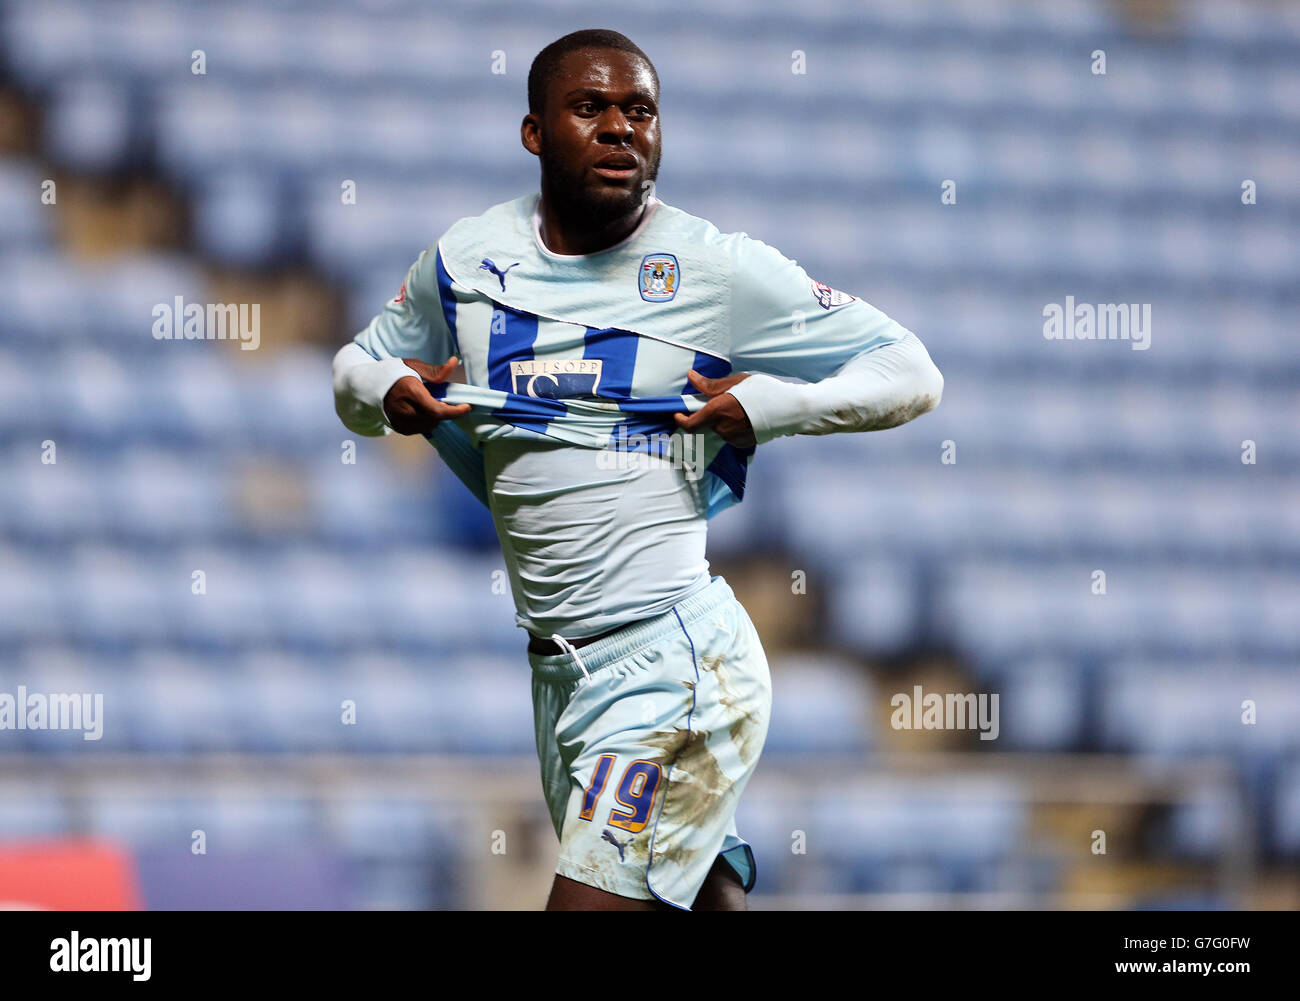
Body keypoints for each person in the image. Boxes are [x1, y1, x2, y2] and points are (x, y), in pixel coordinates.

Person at [332, 29, 943, 910]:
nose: (621, 128)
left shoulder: (715, 268)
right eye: (591, 109)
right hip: (560, 673)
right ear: (535, 133)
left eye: (640, 111)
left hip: (673, 663)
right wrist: (387, 385)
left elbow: (912, 371)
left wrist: (768, 405)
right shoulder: (466, 261)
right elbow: (354, 369)